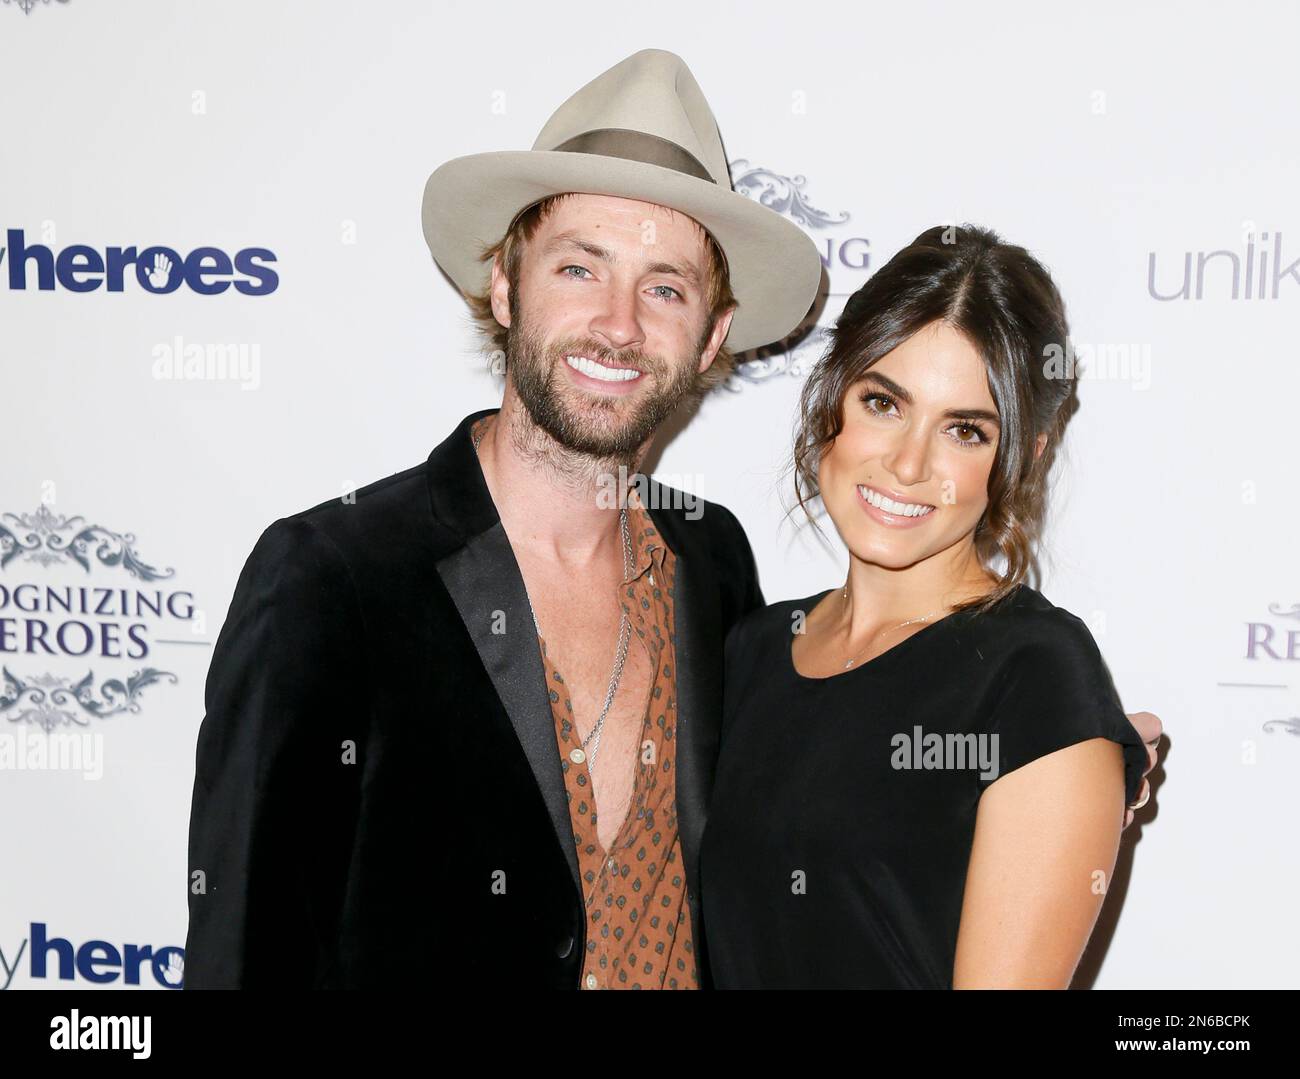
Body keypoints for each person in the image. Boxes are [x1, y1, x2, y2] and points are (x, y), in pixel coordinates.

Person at [184, 49, 1161, 990]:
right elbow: (244, 958)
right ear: (505, 282)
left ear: (711, 336)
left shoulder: (710, 568)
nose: (619, 323)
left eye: (664, 288)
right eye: (580, 267)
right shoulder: (335, 576)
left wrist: (1065, 757)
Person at [699, 224, 1161, 989]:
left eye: (964, 430)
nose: (910, 464)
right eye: (884, 401)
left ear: (1025, 452)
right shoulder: (752, 645)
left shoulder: (1034, 678)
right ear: (834, 400)